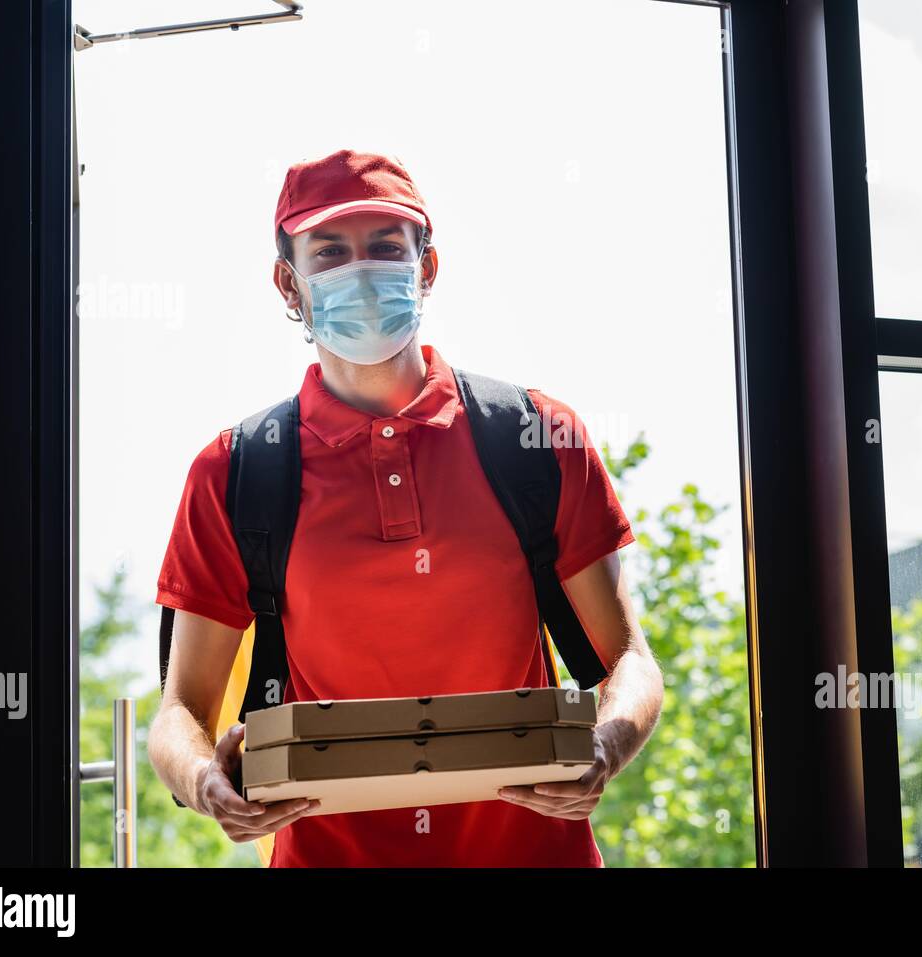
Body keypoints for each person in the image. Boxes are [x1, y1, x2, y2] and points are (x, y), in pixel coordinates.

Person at [147, 149, 663, 866]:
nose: (361, 271)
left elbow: (629, 661)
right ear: (288, 284)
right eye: (329, 252)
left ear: (426, 269)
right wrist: (207, 781)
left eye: (386, 247)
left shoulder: (536, 435)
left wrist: (606, 745)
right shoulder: (235, 473)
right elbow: (178, 713)